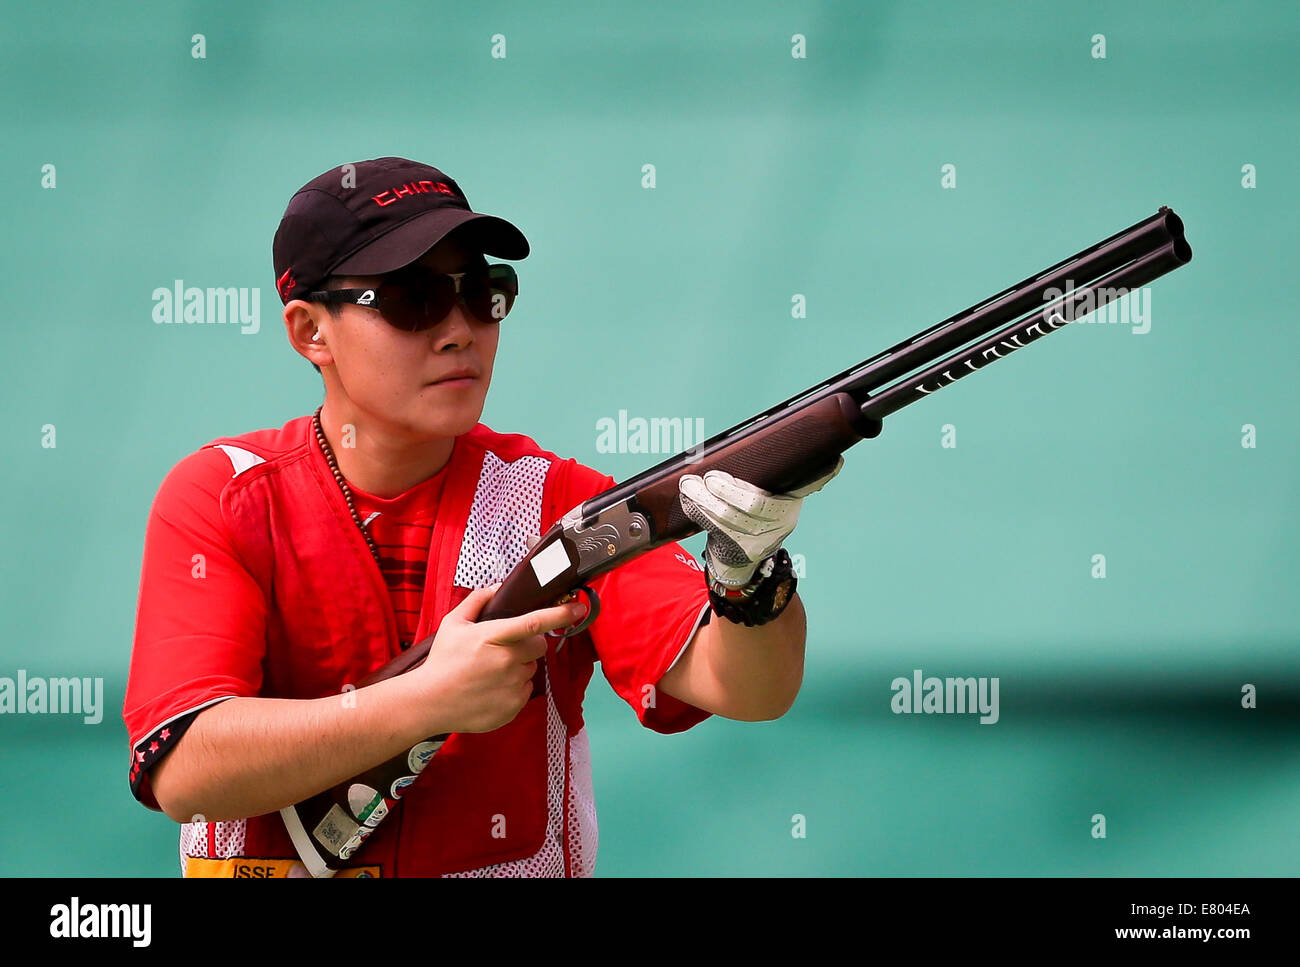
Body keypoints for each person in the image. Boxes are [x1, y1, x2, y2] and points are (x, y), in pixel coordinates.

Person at [122, 156, 841, 877]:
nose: (461, 330)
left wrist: (747, 577)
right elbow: (184, 767)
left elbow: (748, 689)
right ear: (311, 331)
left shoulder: (559, 499)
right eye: (413, 300)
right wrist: (423, 701)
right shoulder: (223, 495)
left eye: (483, 293)